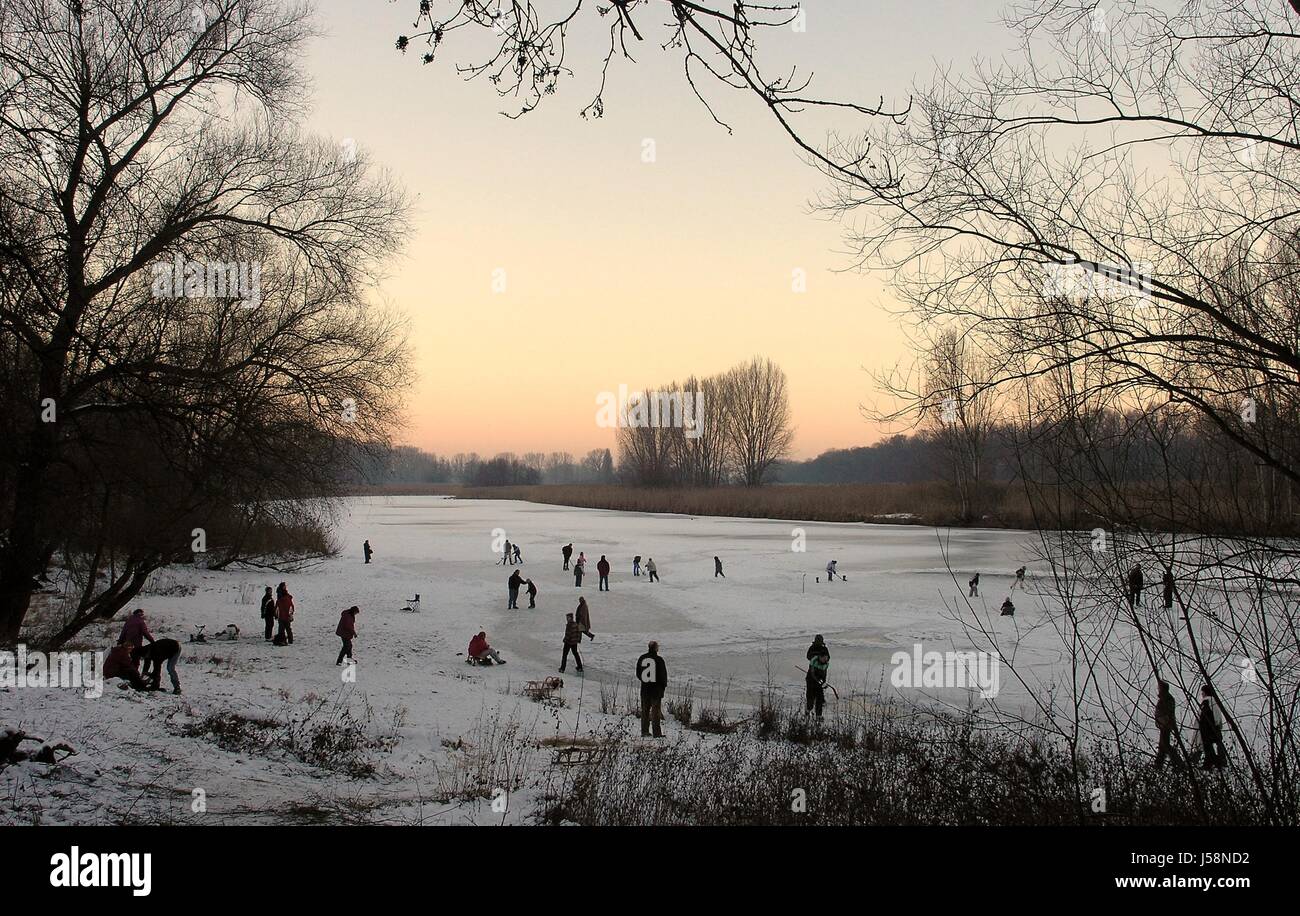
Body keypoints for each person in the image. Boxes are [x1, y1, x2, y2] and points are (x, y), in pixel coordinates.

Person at [636, 641, 668, 737]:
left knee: (645, 711)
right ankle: (656, 733)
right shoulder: (659, 660)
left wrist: (644, 681)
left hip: (645, 689)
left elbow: (638, 673)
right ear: (655, 648)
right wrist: (663, 687)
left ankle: (644, 731)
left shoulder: (642, 658)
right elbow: (663, 676)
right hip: (656, 690)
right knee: (655, 712)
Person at [1198, 684, 1226, 770]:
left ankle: (1210, 763)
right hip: (1216, 727)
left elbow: (1203, 716)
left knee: (1208, 746)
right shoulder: (1215, 701)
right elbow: (1218, 716)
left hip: (1207, 728)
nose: (1202, 694)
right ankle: (1221, 761)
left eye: (1202, 692)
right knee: (1218, 743)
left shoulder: (1206, 702)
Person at [1154, 680, 1178, 769]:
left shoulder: (1167, 699)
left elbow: (1167, 713)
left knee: (1166, 745)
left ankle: (1178, 762)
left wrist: (1164, 722)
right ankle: (1158, 763)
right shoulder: (1164, 698)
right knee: (1163, 745)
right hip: (1163, 724)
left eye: (1159, 688)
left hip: (1166, 725)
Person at [806, 635, 830, 718]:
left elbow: (824, 673)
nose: (825, 659)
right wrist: (820, 681)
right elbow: (808, 656)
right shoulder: (813, 659)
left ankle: (819, 715)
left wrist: (823, 682)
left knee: (819, 696)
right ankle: (808, 710)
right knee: (810, 696)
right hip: (812, 678)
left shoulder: (826, 661)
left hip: (820, 677)